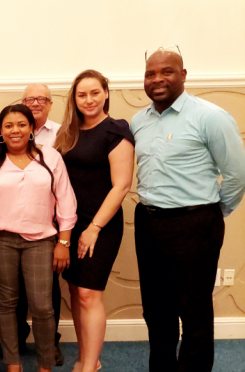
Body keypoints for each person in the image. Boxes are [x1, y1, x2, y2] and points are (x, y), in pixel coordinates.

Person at [132, 47, 245, 372]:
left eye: (166, 71)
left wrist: (211, 212)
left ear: (183, 75)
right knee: (156, 311)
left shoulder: (210, 117)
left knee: (193, 311)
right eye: (150, 73)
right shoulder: (139, 120)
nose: (157, 79)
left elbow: (237, 174)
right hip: (148, 222)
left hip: (194, 223)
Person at [0, 104, 77, 372]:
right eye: (8, 125)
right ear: (0, 131)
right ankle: (13, 364)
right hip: (0, 241)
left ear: (31, 129)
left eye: (21, 124)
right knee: (6, 304)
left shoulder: (50, 157)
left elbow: (66, 201)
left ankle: (45, 365)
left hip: (41, 242)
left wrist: (63, 243)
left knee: (42, 306)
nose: (15, 130)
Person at [55, 70, 134, 372]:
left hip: (100, 225)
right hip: (70, 224)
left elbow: (121, 186)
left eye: (95, 93)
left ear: (106, 93)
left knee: (89, 293)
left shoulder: (116, 130)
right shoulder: (69, 132)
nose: (88, 100)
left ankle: (89, 367)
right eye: (82, 94)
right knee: (76, 291)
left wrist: (94, 228)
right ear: (74, 99)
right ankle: (88, 358)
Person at [17, 83, 65, 366]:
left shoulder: (63, 134)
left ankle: (50, 341)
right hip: (13, 222)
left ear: (50, 103)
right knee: (14, 288)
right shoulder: (8, 132)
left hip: (50, 222)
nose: (35, 103)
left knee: (47, 289)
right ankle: (18, 336)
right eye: (29, 99)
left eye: (41, 99)